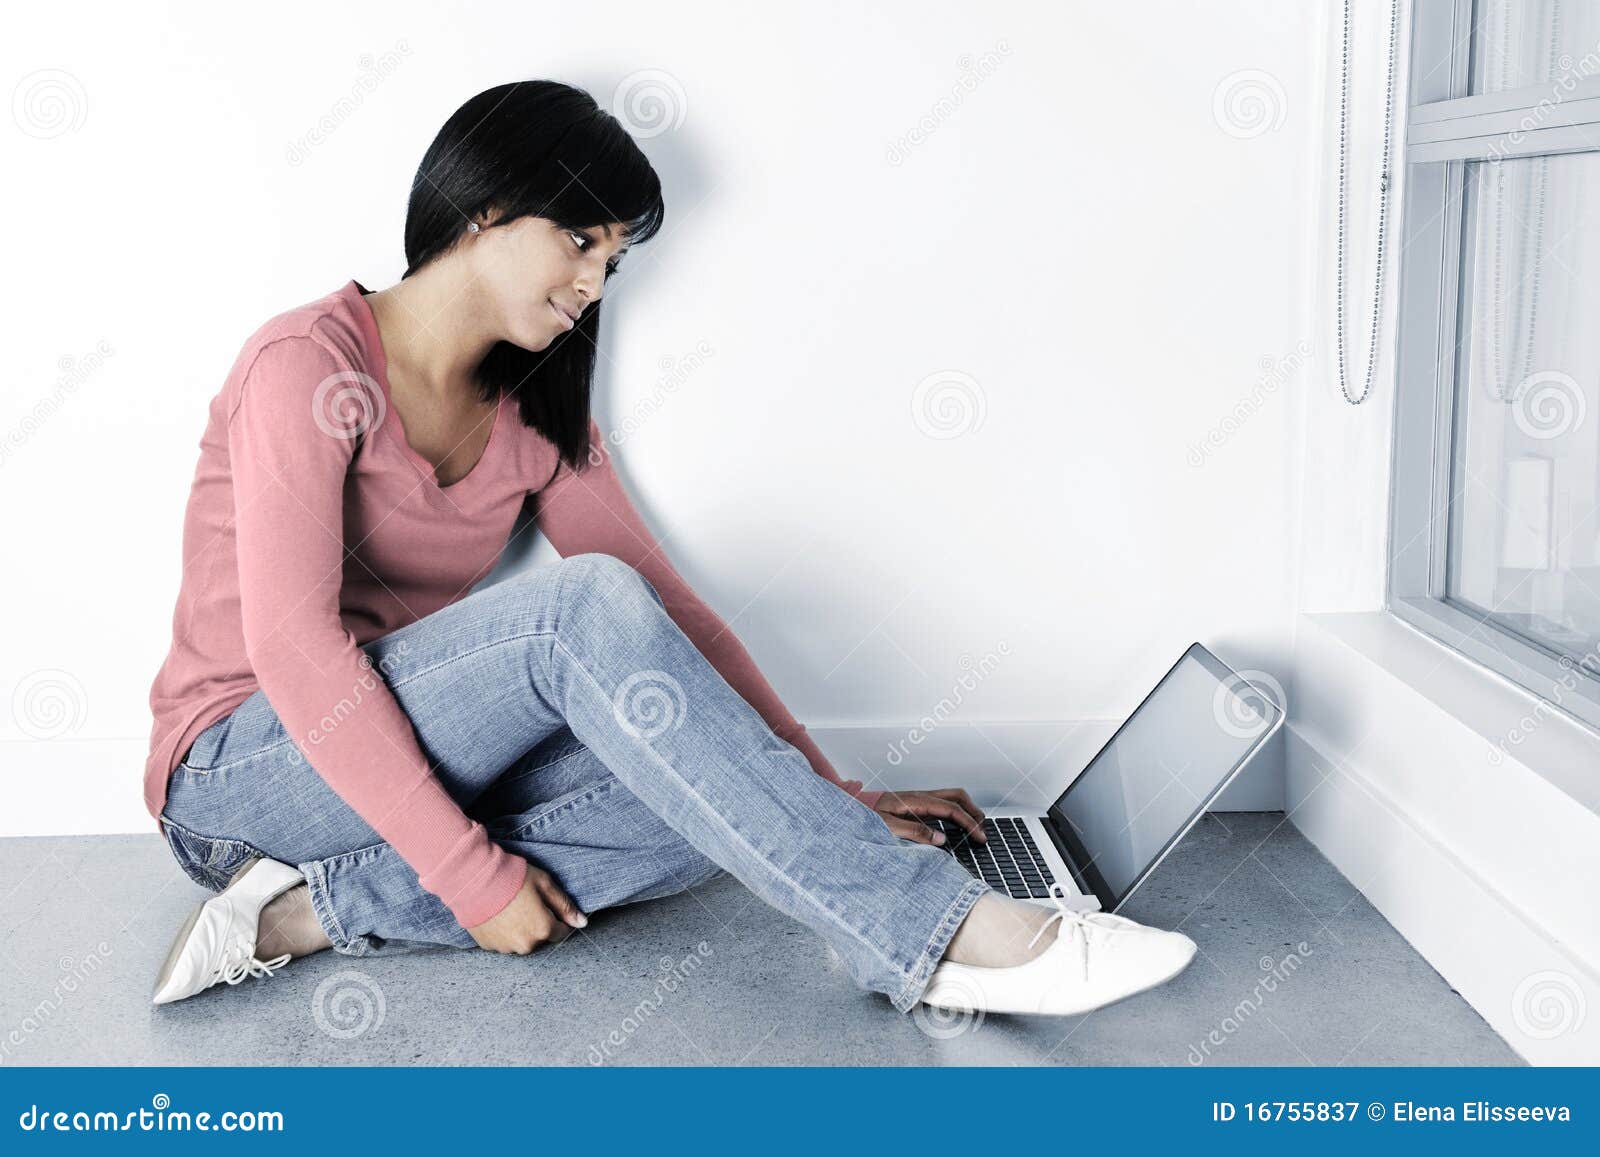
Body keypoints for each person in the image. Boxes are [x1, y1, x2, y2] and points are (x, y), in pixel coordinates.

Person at [144, 79, 1195, 1018]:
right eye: (582, 241)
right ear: (487, 208)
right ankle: (944, 937)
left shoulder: (532, 410)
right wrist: (469, 877)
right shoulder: (304, 362)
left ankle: (301, 916)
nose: (595, 283)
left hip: (383, 783)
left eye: (615, 256)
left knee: (708, 787)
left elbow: (670, 616)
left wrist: (826, 790)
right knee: (585, 610)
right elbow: (292, 647)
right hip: (239, 777)